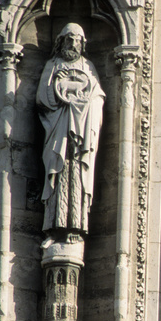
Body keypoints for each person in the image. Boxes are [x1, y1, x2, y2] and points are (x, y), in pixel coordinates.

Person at [37, 23, 105, 242]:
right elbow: (42, 98)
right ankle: (52, 230)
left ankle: (75, 230)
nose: (73, 44)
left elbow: (98, 97)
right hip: (58, 133)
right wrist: (60, 90)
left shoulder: (88, 66)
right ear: (61, 41)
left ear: (82, 43)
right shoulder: (53, 65)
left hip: (79, 138)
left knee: (78, 178)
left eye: (77, 40)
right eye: (69, 39)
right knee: (55, 178)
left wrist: (84, 105)